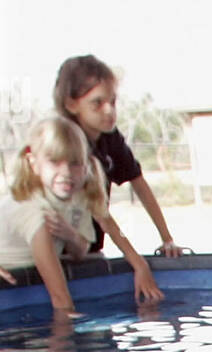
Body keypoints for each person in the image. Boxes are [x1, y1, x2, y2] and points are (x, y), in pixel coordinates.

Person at [0, 116, 161, 312]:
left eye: (74, 163)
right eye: (54, 162)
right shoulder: (35, 212)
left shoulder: (78, 195)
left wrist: (140, 265)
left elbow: (82, 251)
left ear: (87, 166)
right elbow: (60, 299)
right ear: (33, 163)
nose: (66, 172)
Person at [54, 56, 182, 261]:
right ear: (71, 104)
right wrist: (135, 260)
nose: (109, 110)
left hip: (89, 249)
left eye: (112, 101)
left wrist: (167, 239)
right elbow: (100, 213)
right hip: (53, 251)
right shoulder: (61, 142)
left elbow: (139, 183)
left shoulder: (109, 138)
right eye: (97, 103)